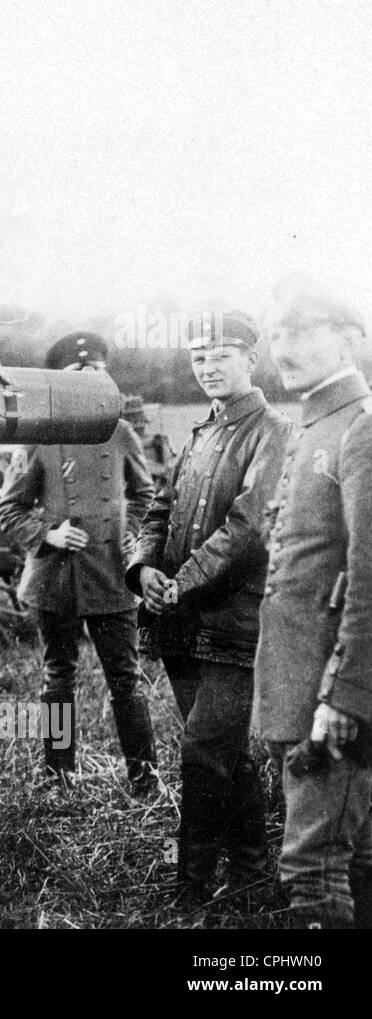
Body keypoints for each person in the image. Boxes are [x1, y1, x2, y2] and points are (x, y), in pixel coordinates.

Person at [126, 311, 292, 906]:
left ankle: (190, 891)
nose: (208, 367)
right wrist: (144, 567)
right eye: (199, 356)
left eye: (222, 354)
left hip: (234, 625)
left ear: (252, 359)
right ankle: (250, 871)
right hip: (182, 623)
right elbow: (158, 510)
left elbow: (248, 529)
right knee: (225, 755)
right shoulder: (200, 434)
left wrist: (180, 583)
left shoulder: (274, 432)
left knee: (201, 754)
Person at [255, 275, 372, 928]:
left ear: (351, 339)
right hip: (304, 687)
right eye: (276, 332)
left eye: (301, 328)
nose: (283, 344)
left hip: (334, 696)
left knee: (314, 867)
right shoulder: (318, 426)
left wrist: (345, 694)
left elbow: (370, 576)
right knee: (350, 856)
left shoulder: (360, 428)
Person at [0, 331, 158, 795]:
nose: (87, 382)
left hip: (112, 576)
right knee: (58, 676)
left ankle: (145, 780)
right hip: (55, 579)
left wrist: (130, 539)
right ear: (60, 383)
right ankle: (59, 775)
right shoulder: (38, 436)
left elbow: (146, 496)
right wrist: (47, 533)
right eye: (75, 375)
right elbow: (10, 509)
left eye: (95, 374)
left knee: (126, 679)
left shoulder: (122, 433)